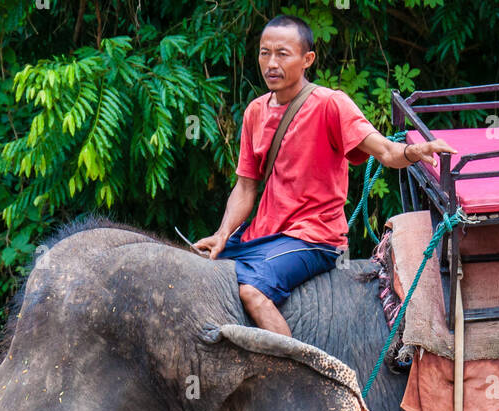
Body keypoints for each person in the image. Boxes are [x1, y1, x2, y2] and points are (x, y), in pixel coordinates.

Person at [194, 14, 456, 337]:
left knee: (252, 291)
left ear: (307, 59)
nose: (271, 63)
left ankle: (294, 373)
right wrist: (222, 234)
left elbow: (386, 152)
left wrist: (413, 152)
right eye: (264, 53)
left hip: (314, 237)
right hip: (263, 235)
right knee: (198, 270)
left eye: (282, 54)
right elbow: (246, 187)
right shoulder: (255, 112)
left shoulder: (331, 105)